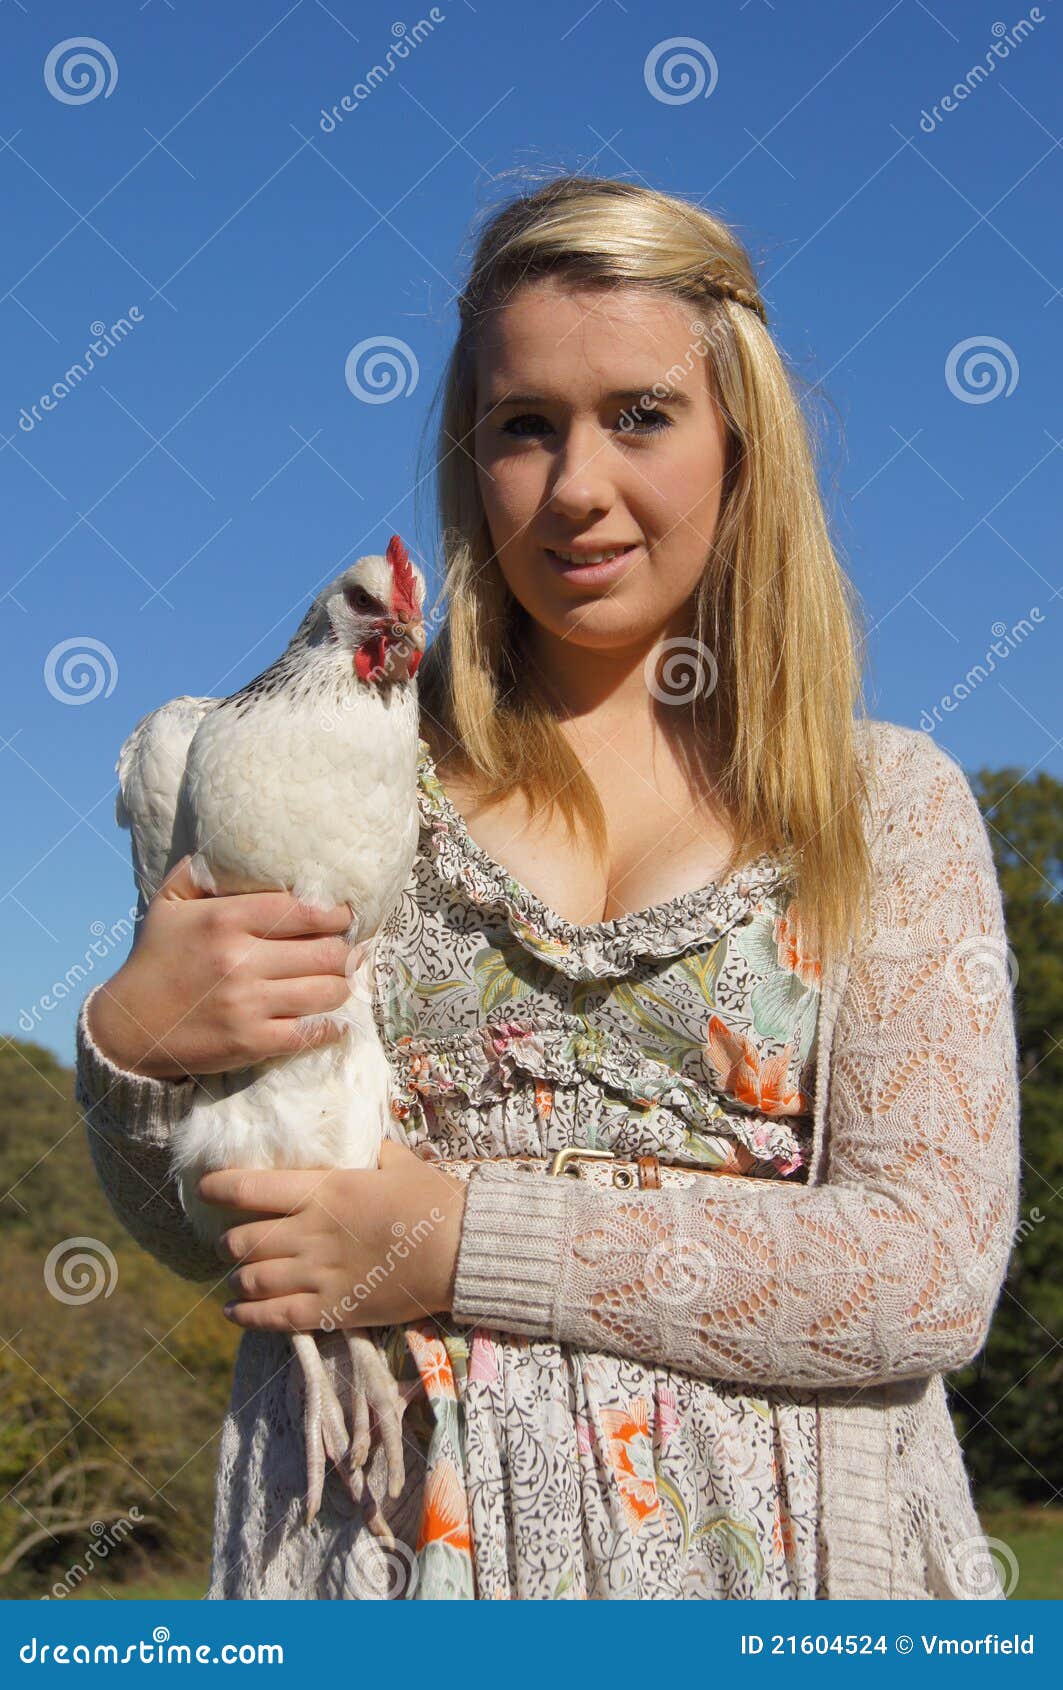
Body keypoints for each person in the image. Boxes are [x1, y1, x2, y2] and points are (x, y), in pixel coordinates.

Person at [75, 173, 1020, 1600]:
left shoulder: (885, 805)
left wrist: (459, 1242)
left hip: (784, 1585)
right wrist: (135, 1052)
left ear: (741, 439)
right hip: (384, 1567)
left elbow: (926, 1273)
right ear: (473, 456)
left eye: (640, 414)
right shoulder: (345, 780)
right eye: (525, 425)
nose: (577, 485)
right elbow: (209, 1237)